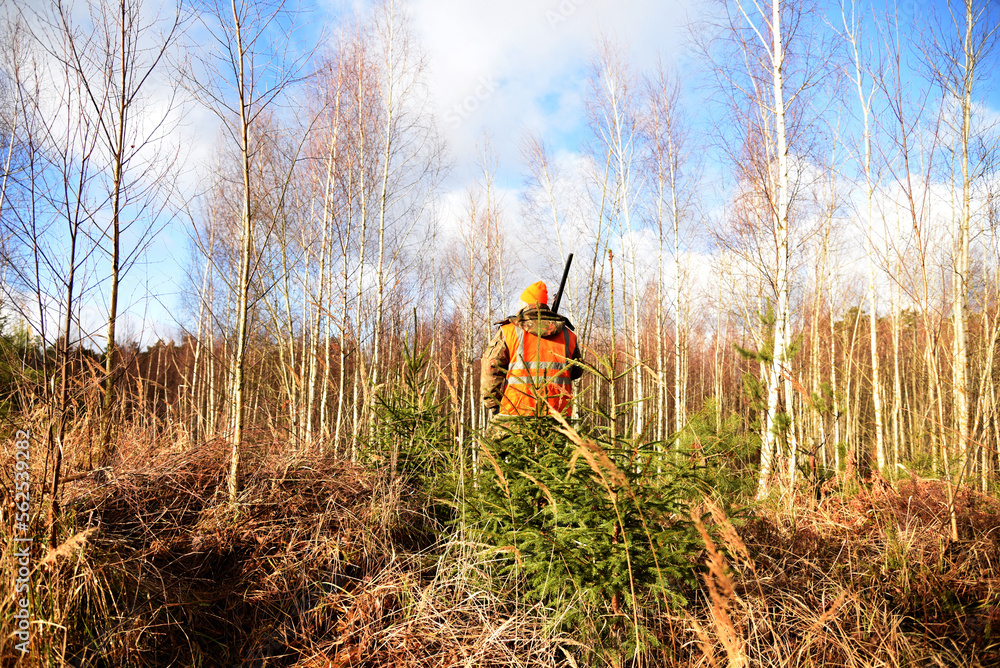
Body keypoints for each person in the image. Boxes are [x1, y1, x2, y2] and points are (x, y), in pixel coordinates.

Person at [480, 281, 583, 423]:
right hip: (558, 416)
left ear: (525, 305)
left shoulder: (509, 331)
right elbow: (577, 372)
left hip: (514, 413)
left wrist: (494, 406)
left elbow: (490, 369)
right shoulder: (568, 335)